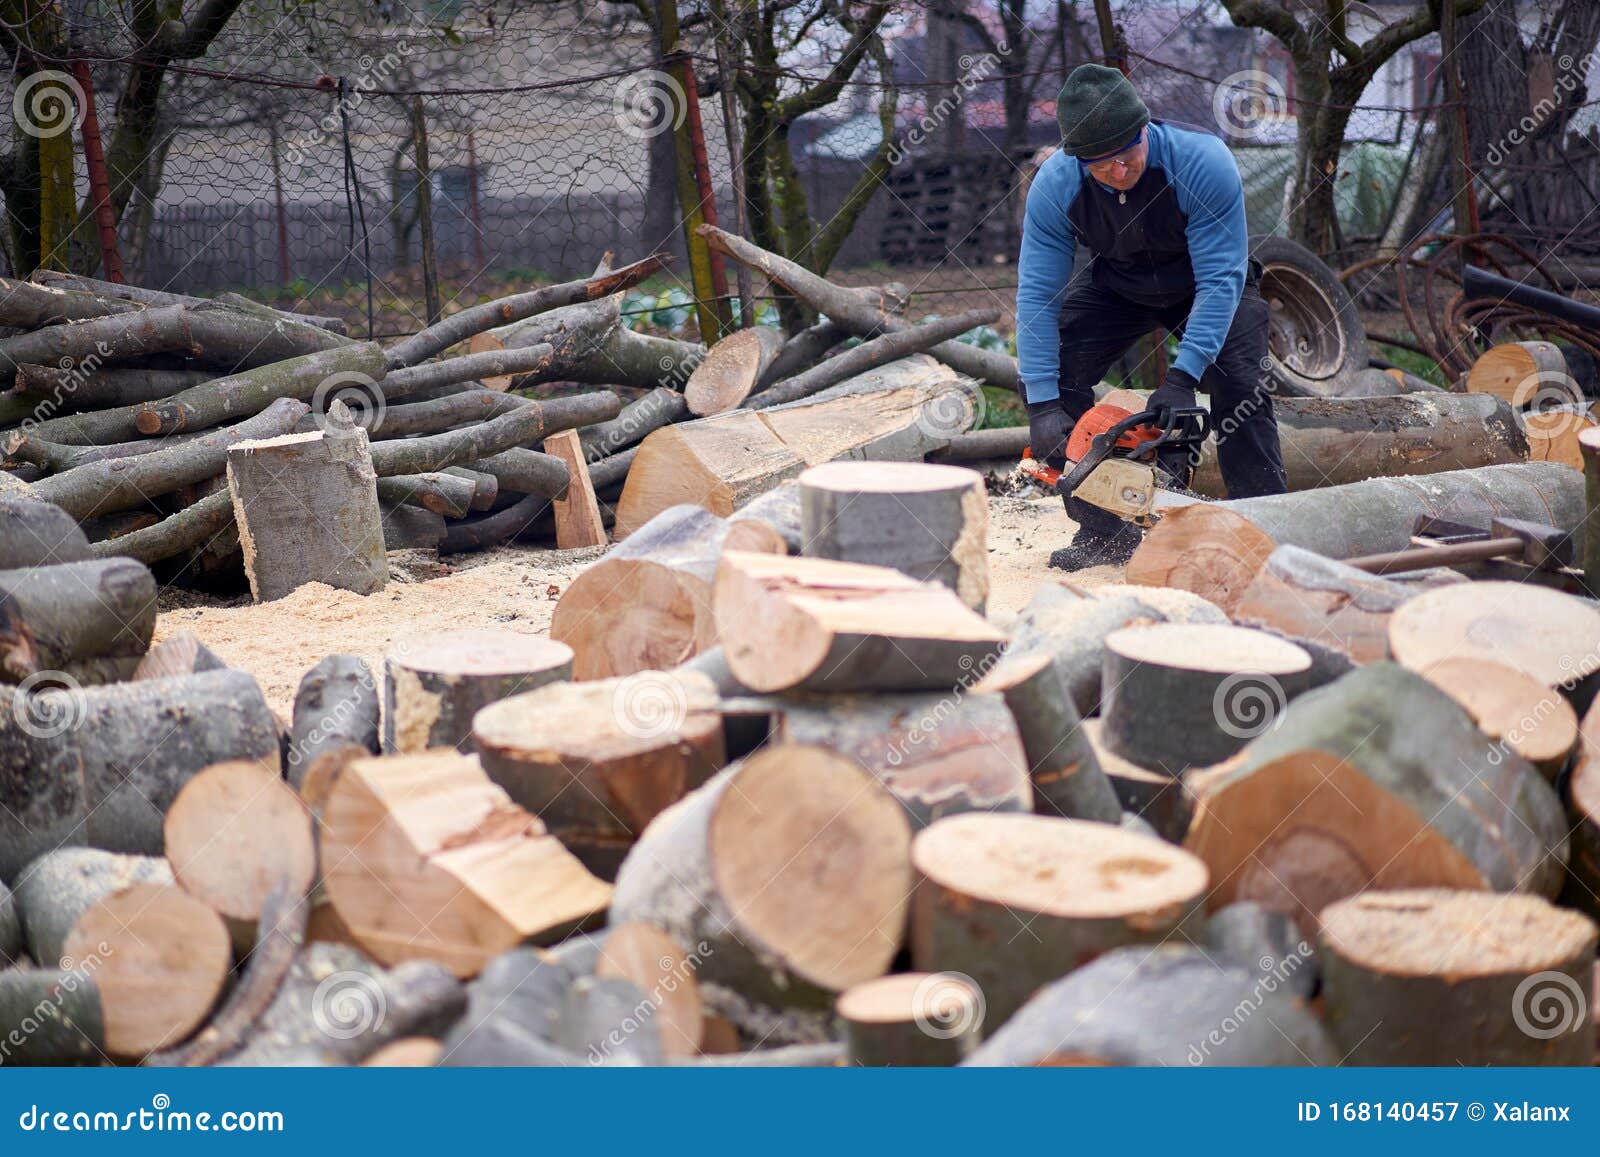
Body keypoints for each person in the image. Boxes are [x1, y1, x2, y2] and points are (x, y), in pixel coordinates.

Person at [1016, 63, 1288, 570]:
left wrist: (1184, 377)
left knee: (1241, 385)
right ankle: (1105, 533)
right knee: (1056, 376)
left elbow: (1219, 280)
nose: (1119, 171)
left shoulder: (1202, 162)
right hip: (1120, 285)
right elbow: (1036, 300)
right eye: (1102, 166)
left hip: (1204, 285)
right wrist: (1042, 404)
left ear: (1145, 129)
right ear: (1077, 160)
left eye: (1127, 155)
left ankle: (1265, 523)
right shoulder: (1054, 187)